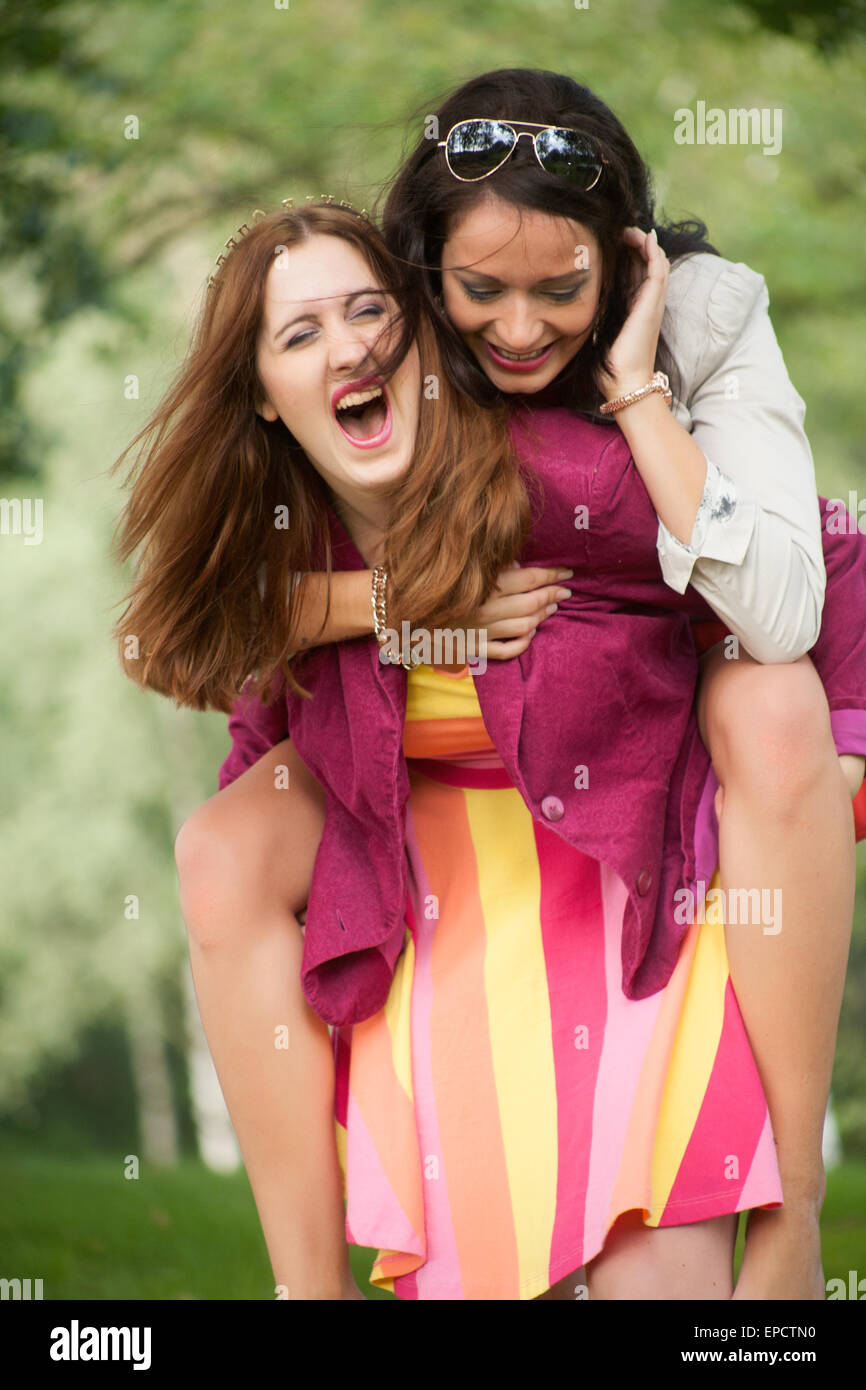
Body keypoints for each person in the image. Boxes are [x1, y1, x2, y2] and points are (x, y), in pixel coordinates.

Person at [111, 198, 865, 1301]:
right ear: (264, 397)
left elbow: (822, 545)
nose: (349, 346)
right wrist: (393, 602)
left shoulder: (549, 468)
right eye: (299, 333)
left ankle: (788, 1221)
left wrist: (844, 736)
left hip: (619, 895)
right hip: (442, 918)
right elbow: (184, 635)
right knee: (217, 848)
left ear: (416, 337)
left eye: (370, 310)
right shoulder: (281, 520)